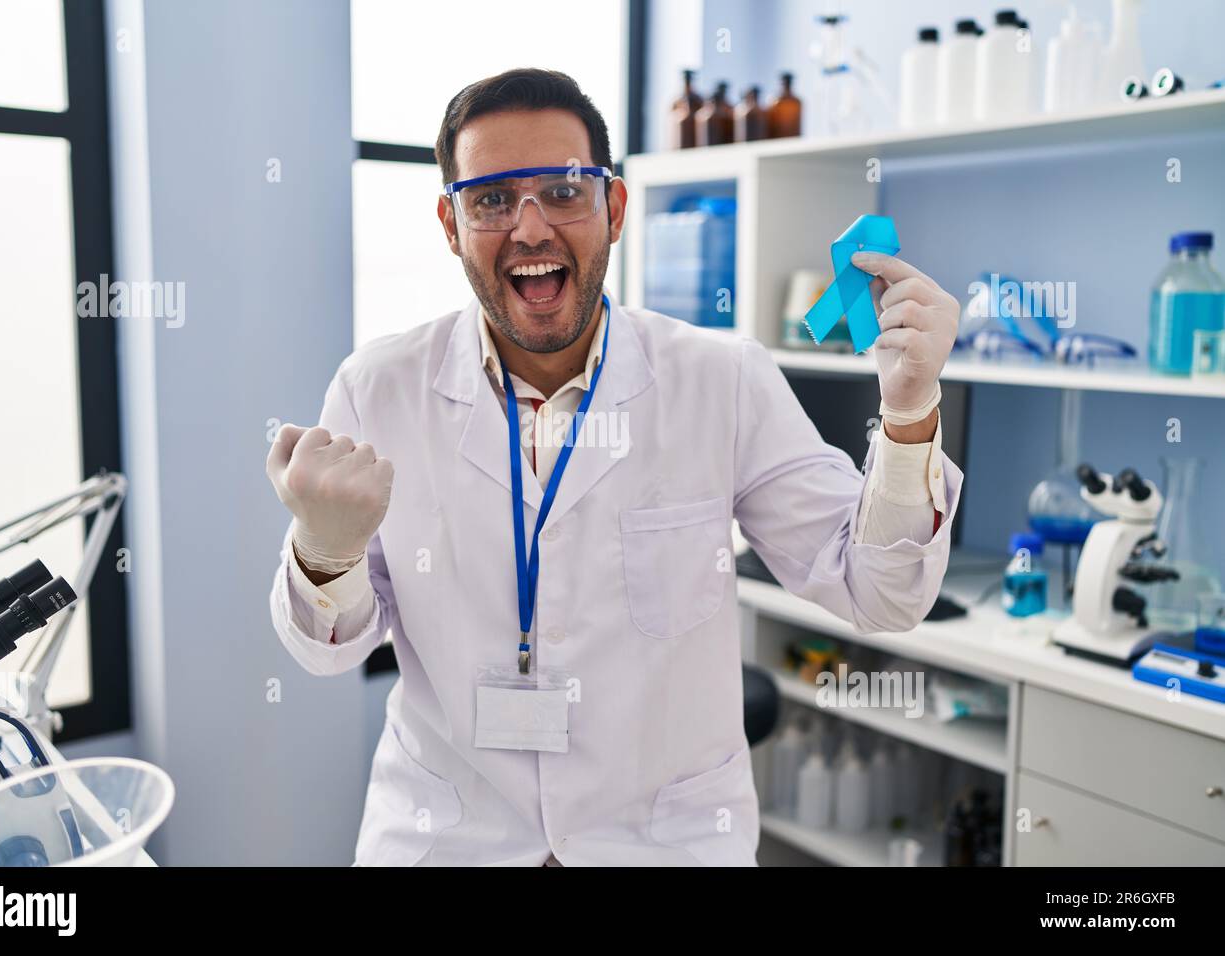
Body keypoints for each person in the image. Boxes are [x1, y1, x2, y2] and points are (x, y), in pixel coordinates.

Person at [266, 68, 962, 866]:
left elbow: (882, 593)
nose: (530, 229)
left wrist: (908, 412)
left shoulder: (721, 380)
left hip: (661, 843)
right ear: (451, 224)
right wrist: (325, 551)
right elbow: (328, 650)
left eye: (564, 190)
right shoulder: (377, 388)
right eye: (491, 199)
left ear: (615, 209)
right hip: (451, 838)